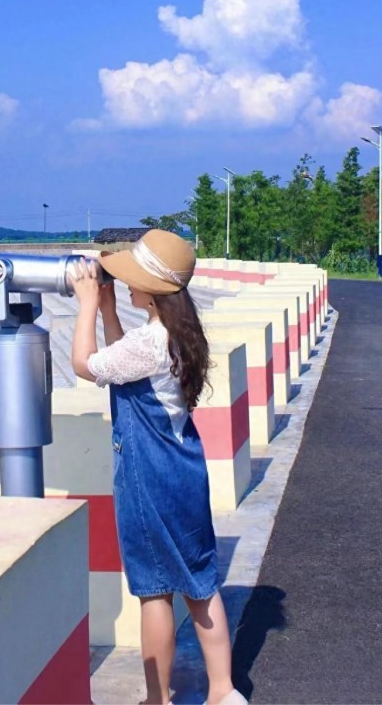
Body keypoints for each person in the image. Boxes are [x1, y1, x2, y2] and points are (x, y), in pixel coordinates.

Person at [70, 229, 247, 705]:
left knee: (155, 592)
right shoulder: (178, 335)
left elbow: (86, 365)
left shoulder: (151, 341)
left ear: (153, 289)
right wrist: (109, 309)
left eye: (131, 278)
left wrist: (87, 301)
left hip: (148, 478)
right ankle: (223, 691)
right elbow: (120, 363)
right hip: (185, 468)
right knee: (201, 584)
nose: (125, 285)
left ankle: (157, 698)